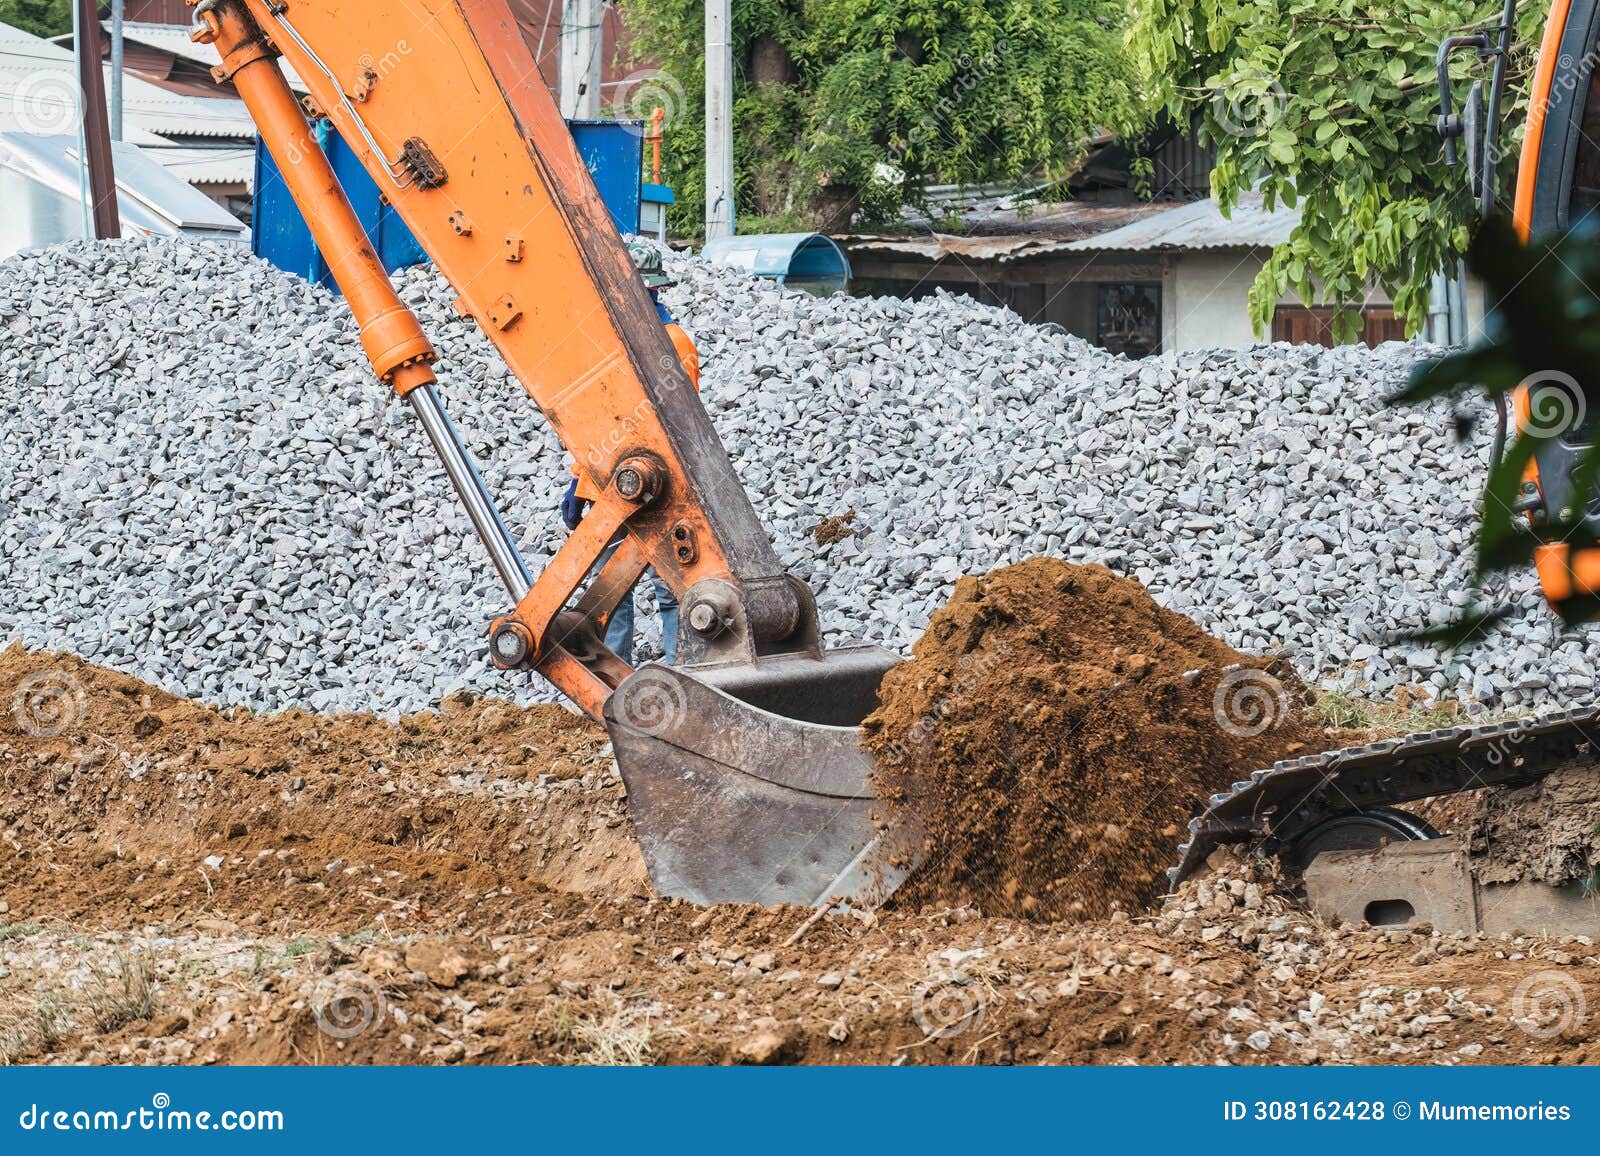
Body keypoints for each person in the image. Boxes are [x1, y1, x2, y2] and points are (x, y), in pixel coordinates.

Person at [561, 244, 701, 665]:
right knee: (609, 588)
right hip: (608, 479)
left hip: (658, 481)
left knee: (670, 585)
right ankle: (610, 679)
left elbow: (682, 420)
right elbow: (595, 418)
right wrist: (579, 480)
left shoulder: (673, 342)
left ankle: (685, 677)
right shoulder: (606, 341)